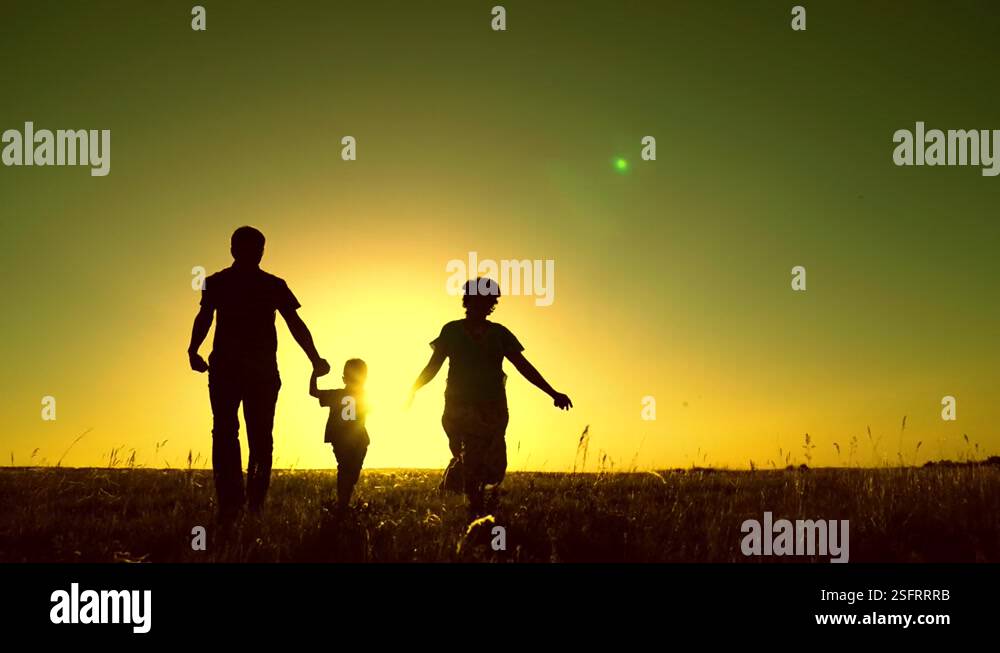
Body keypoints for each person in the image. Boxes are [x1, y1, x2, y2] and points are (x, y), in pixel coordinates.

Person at [187, 226, 330, 523]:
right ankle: (239, 504)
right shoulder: (218, 283)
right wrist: (192, 350)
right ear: (234, 249)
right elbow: (205, 317)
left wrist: (315, 358)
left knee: (243, 435)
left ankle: (247, 504)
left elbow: (295, 323)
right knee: (240, 435)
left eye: (258, 248)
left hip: (254, 372)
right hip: (235, 370)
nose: (256, 253)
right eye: (253, 247)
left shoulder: (269, 285)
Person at [409, 277, 572, 519]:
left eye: (489, 301)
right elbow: (433, 366)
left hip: (492, 407)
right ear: (469, 301)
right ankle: (475, 510)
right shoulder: (452, 331)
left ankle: (460, 483)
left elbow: (523, 366)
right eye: (479, 300)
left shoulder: (500, 334)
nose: (484, 305)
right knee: (470, 456)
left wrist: (552, 393)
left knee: (494, 468)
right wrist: (413, 389)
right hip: (458, 405)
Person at [310, 359, 370, 513]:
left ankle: (343, 503)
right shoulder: (364, 395)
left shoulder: (337, 394)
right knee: (348, 470)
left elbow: (313, 391)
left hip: (346, 438)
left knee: (348, 471)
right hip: (353, 439)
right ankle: (342, 505)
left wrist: (315, 374)